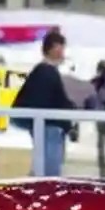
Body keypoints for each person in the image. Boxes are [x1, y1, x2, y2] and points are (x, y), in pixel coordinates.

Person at [13, 30, 74, 176]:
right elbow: (47, 101)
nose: (63, 53)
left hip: (47, 126)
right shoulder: (46, 72)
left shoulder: (43, 71)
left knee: (43, 165)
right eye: (61, 48)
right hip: (49, 126)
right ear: (53, 49)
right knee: (49, 169)